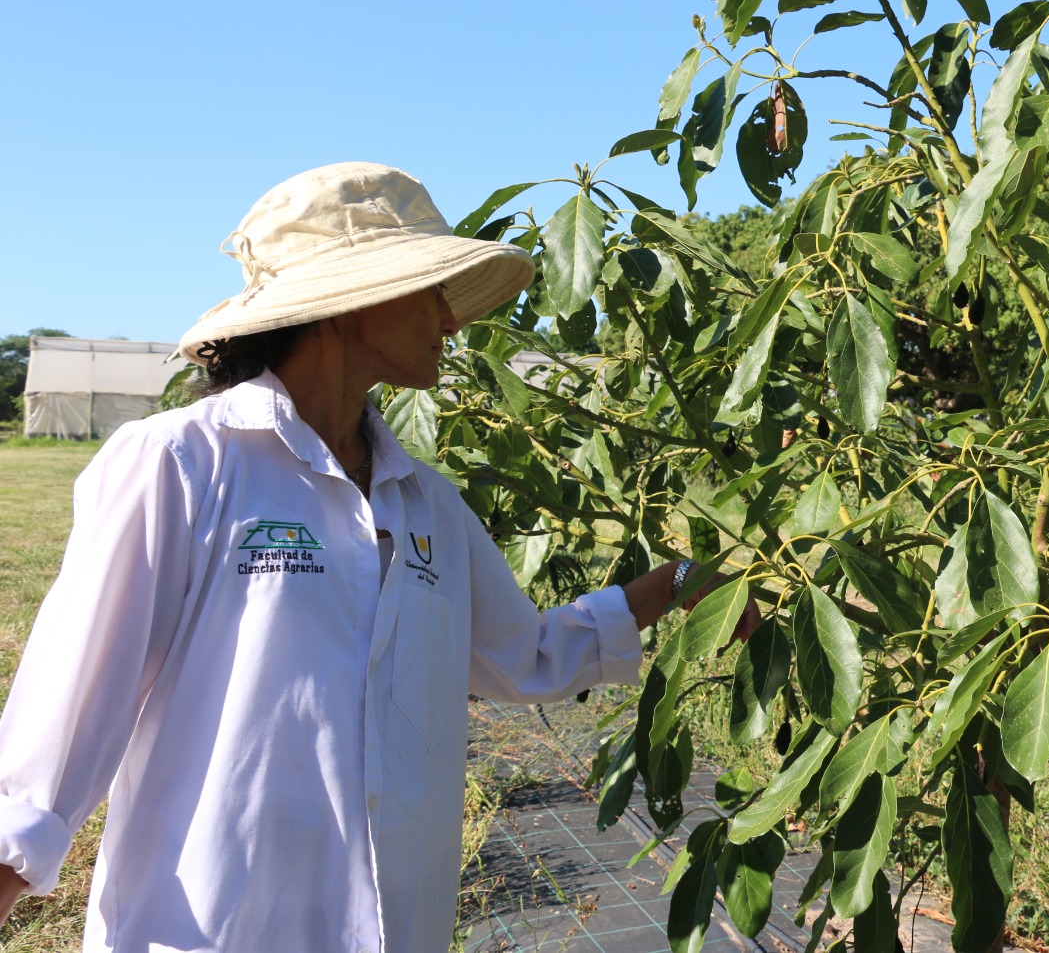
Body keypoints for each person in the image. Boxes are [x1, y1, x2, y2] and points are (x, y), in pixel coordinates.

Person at [0, 162, 756, 952]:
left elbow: (523, 656)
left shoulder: (425, 503)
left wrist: (679, 583)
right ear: (350, 305)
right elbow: (68, 709)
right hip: (214, 926)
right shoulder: (185, 463)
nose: (450, 321)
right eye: (430, 290)